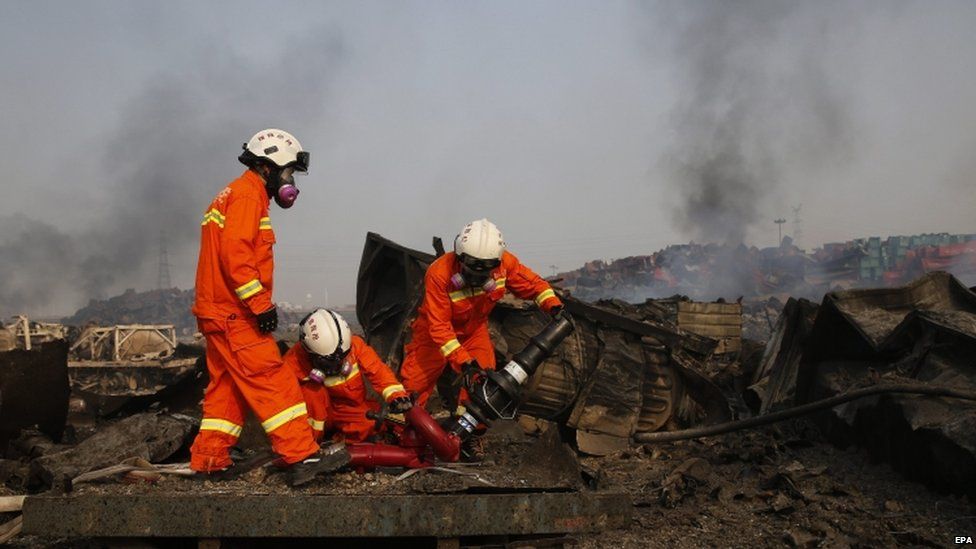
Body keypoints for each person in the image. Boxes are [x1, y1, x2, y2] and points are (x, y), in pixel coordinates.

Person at [189, 129, 347, 486]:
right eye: (288, 172)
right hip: (235, 313)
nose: (289, 182)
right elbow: (237, 257)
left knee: (226, 387)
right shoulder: (247, 196)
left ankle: (209, 460)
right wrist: (260, 305)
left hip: (217, 312)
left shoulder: (236, 193)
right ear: (267, 168)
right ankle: (302, 456)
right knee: (274, 381)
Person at [398, 218, 563, 459]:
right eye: (470, 268)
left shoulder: (506, 265)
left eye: (483, 270)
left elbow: (534, 285)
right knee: (412, 387)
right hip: (434, 335)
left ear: (495, 264)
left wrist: (554, 306)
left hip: (474, 332)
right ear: (459, 257)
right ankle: (401, 437)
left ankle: (469, 438)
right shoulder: (439, 273)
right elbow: (440, 328)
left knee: (485, 385)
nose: (476, 276)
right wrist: (463, 362)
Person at [284, 308, 413, 442]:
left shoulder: (355, 346)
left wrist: (397, 396)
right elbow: (283, 399)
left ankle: (341, 439)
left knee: (370, 424)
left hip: (348, 409)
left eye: (341, 359)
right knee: (313, 393)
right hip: (315, 414)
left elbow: (378, 371)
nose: (336, 365)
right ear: (309, 352)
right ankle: (310, 444)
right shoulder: (293, 362)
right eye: (329, 362)